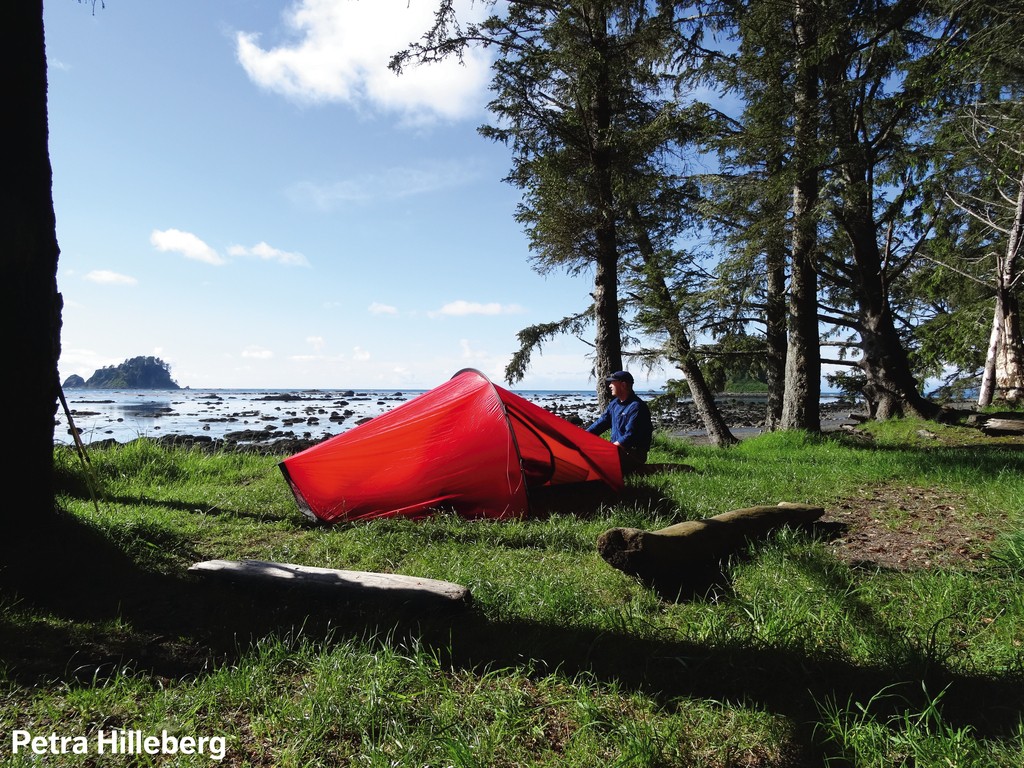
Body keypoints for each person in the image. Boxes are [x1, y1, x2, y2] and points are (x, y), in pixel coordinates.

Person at [586, 371, 653, 474]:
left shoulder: (637, 407)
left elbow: (630, 436)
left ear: (623, 384)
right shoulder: (614, 404)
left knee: (595, 462)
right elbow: (601, 423)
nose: (610, 386)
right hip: (617, 451)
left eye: (612, 382)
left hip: (632, 453)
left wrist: (609, 450)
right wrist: (583, 436)